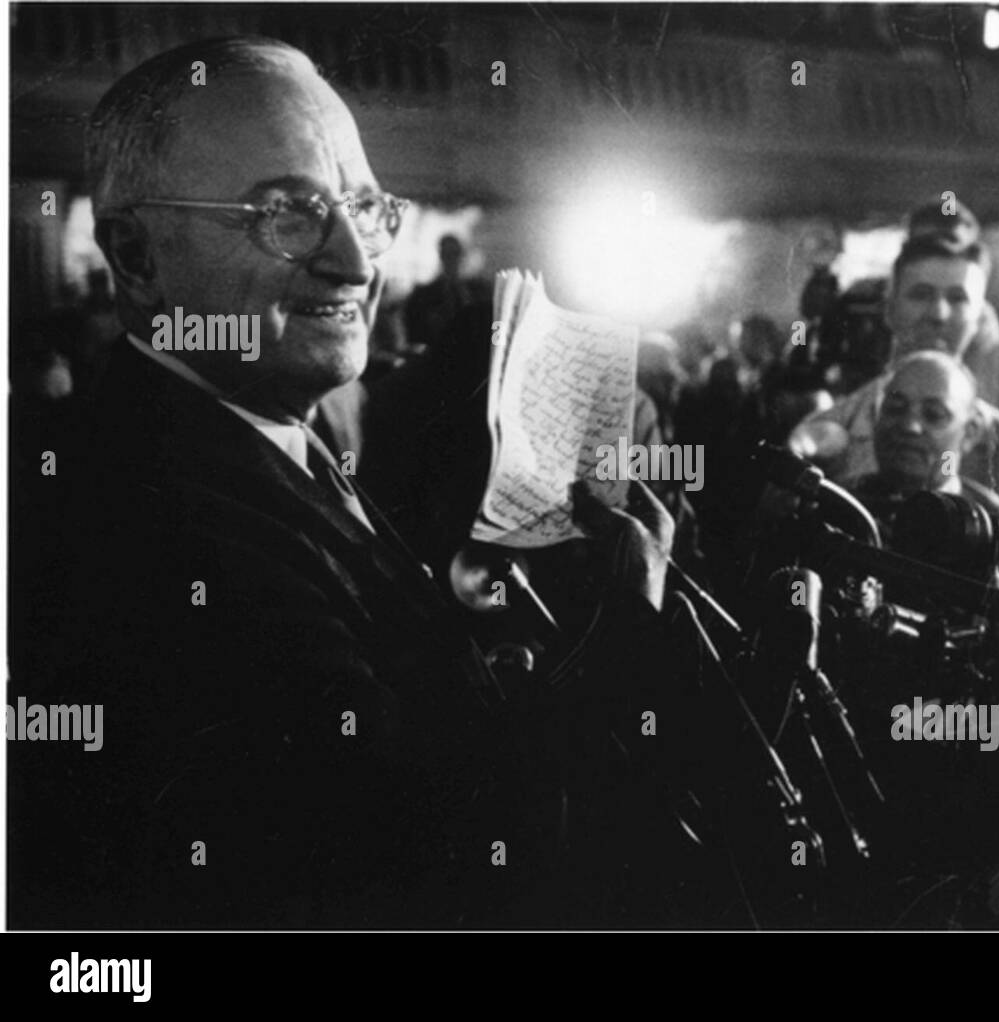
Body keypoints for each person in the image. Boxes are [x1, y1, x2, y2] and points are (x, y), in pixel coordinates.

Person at [8, 37, 687, 930]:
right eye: (287, 213)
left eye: (364, 208)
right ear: (136, 256)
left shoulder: (270, 424)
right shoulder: (148, 521)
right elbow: (423, 859)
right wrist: (619, 627)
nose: (358, 265)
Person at [791, 235, 999, 509]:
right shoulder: (819, 437)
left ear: (980, 318)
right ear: (889, 309)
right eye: (921, 294)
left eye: (957, 298)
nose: (938, 314)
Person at [851, 351, 999, 530]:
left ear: (970, 432)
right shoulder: (837, 504)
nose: (909, 426)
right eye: (895, 408)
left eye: (934, 415)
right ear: (875, 416)